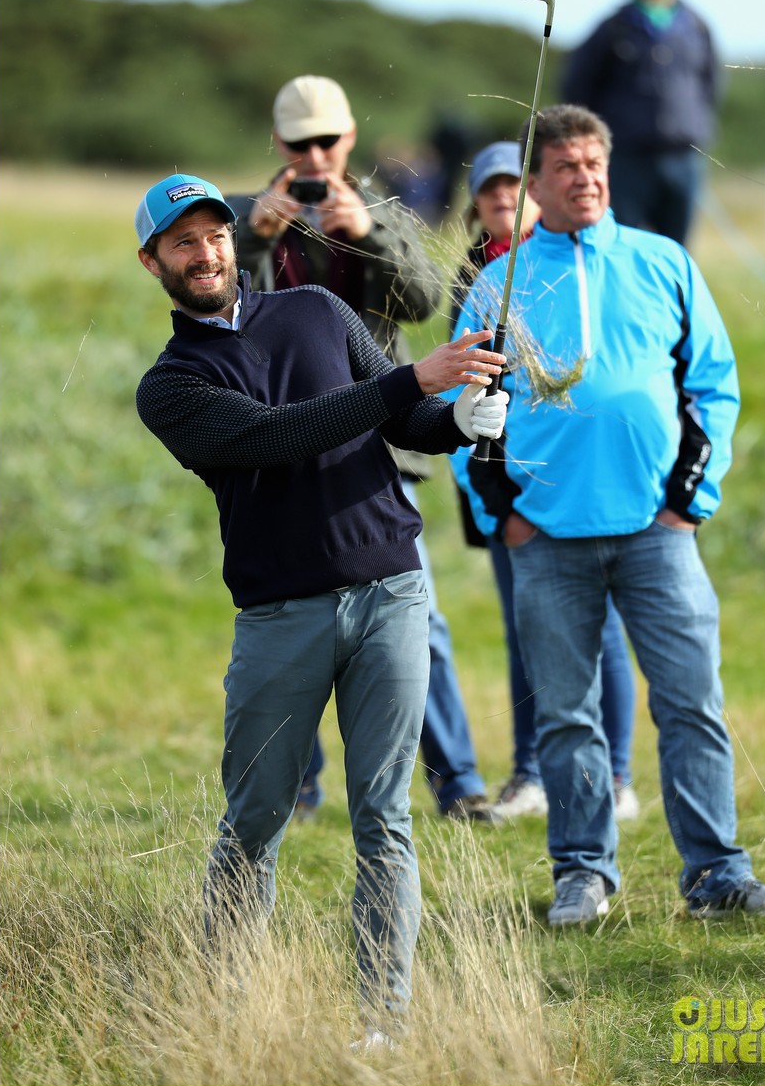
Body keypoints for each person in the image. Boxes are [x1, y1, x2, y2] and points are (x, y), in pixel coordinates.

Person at [133, 172, 508, 1042]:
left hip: (391, 592)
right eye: (181, 242)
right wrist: (413, 380)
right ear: (152, 260)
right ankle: (223, 1004)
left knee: (385, 815)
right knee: (255, 819)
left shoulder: (315, 311)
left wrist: (459, 419)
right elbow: (276, 437)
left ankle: (383, 1019)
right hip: (280, 614)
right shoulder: (170, 385)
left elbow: (401, 423)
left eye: (214, 234)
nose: (205, 252)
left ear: (234, 240)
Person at [450, 106, 765, 926]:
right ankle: (583, 875)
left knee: (690, 700)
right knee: (565, 716)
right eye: (565, 166)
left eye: (593, 162)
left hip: (657, 531)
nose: (584, 176)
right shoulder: (498, 284)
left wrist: (690, 500)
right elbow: (463, 407)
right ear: (534, 184)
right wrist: (502, 513)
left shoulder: (663, 262)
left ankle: (716, 876)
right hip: (544, 538)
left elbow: (711, 386)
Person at [227, 74, 501, 824]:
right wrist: (256, 238)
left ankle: (457, 783)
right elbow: (226, 315)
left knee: (421, 620)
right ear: (278, 143)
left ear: (348, 139)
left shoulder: (382, 205)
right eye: (299, 142)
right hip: (282, 445)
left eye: (327, 140)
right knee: (288, 621)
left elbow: (418, 304)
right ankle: (300, 788)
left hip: (381, 440)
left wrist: (369, 231)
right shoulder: (243, 217)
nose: (314, 157)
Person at [450, 141, 640, 822]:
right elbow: (463, 405)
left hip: (584, 490)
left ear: (535, 191)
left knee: (603, 632)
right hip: (510, 497)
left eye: (513, 187)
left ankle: (614, 780)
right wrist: (492, 507)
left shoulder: (564, 267)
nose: (502, 199)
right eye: (488, 190)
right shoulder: (476, 278)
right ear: (473, 202)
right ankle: (531, 775)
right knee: (523, 629)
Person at [562, 0, 720, 246]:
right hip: (627, 157)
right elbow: (577, 84)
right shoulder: (613, 26)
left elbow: (711, 83)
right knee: (621, 243)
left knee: (678, 251)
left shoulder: (696, 25)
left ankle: (672, 298)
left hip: (682, 158)